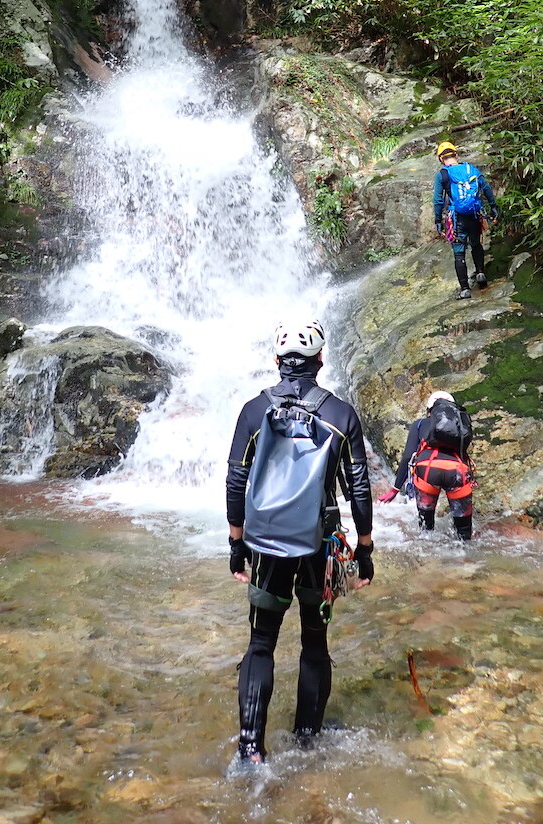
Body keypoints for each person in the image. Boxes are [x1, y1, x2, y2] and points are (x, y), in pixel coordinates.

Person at [226, 318, 374, 766]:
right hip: (322, 540)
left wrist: (237, 544)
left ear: (276, 361)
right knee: (315, 641)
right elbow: (360, 489)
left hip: (267, 542)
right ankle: (308, 742)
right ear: (321, 361)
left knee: (261, 642)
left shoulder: (255, 411)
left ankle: (251, 749)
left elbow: (236, 481)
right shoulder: (340, 414)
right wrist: (364, 551)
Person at [377, 391, 474, 541]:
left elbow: (409, 456)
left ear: (429, 410)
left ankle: (429, 561)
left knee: (426, 530)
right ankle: (466, 560)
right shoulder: (460, 426)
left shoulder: (420, 424)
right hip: (456, 471)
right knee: (464, 533)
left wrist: (395, 489)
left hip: (428, 470)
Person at [433, 141, 498, 300]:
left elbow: (438, 200)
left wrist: (438, 220)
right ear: (456, 155)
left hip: (456, 217)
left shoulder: (443, 174)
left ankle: (464, 289)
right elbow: (486, 187)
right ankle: (481, 274)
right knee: (476, 243)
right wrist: (493, 206)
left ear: (441, 159)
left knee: (459, 251)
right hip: (475, 214)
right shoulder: (471, 169)